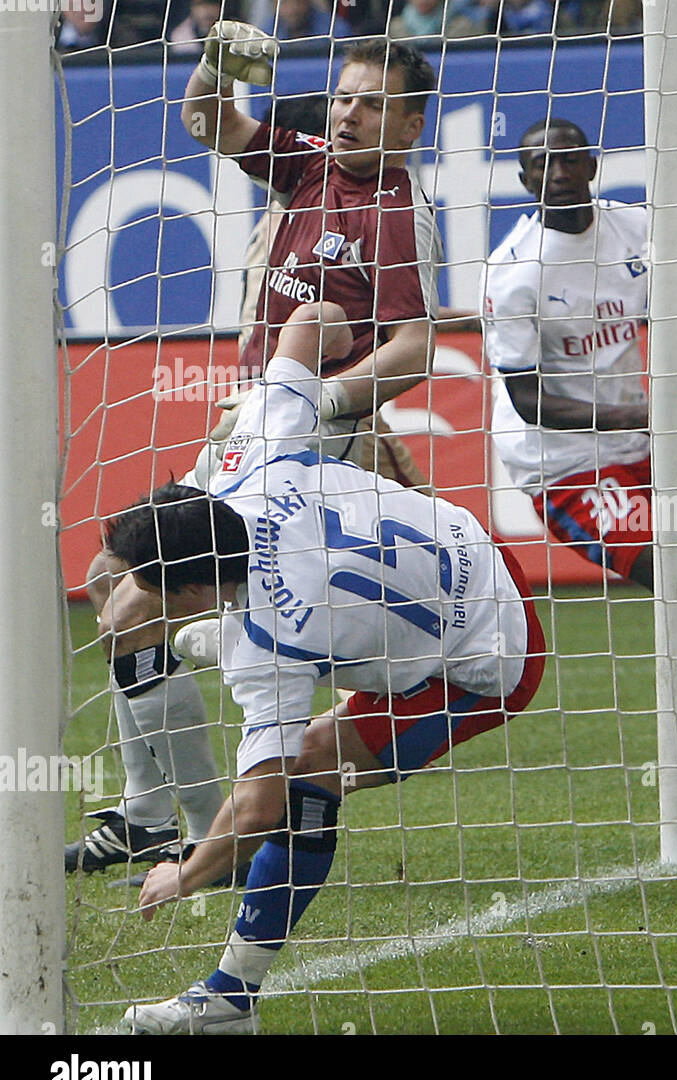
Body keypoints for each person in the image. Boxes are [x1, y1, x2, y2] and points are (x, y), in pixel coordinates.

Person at [66, 29, 443, 878]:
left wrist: (319, 398)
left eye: (372, 103)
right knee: (109, 576)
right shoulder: (307, 165)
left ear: (413, 126)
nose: (348, 112)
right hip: (249, 431)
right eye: (344, 94)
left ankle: (197, 827)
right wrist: (220, 66)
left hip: (297, 447)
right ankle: (149, 812)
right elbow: (207, 120)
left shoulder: (394, 212)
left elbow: (415, 349)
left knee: (139, 609)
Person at [117, 303, 545, 1034]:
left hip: (483, 658)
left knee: (308, 769)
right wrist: (336, 355)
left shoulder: (273, 645)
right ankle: (231, 999)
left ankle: (228, 1000)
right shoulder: (265, 451)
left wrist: (183, 875)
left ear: (191, 588)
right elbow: (312, 318)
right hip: (469, 552)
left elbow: (255, 808)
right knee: (296, 728)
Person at [483, 118, 677, 789]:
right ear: (524, 179)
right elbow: (530, 399)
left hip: (643, 451)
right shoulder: (513, 274)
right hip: (564, 466)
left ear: (592, 165)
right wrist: (644, 412)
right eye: (542, 164)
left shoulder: (635, 228)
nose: (558, 172)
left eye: (568, 159)